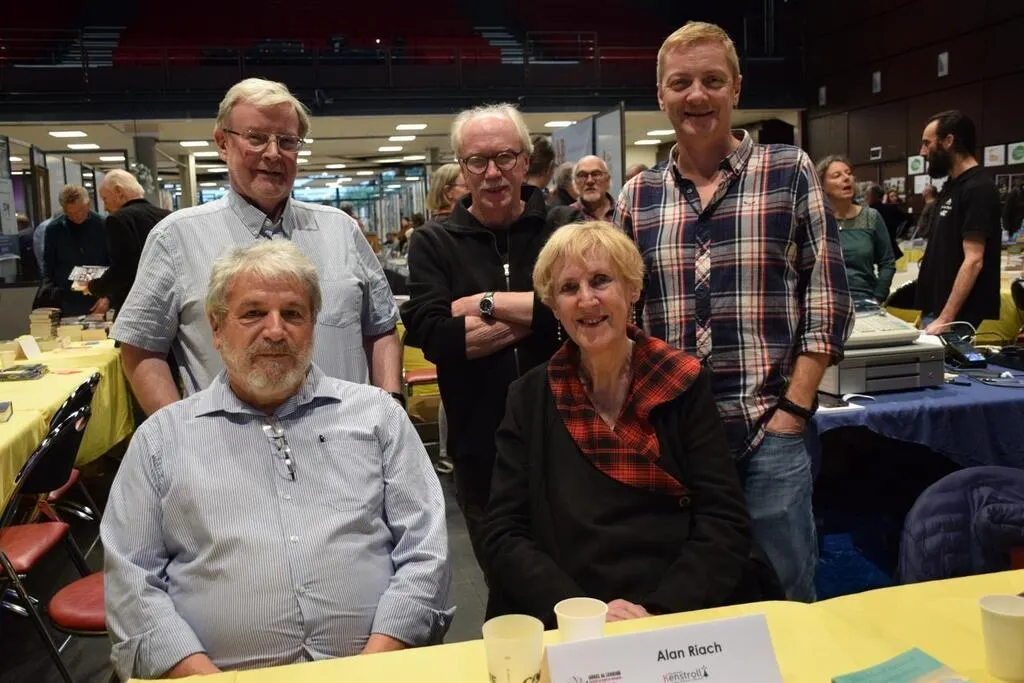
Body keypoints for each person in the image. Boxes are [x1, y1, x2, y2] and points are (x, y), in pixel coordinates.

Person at [102, 241, 452, 680]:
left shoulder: (377, 417)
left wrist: (376, 665)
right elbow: (132, 584)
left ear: (312, 325)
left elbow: (425, 553)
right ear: (215, 326)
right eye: (252, 314)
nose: (275, 331)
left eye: (293, 314)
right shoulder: (162, 440)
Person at [615, 21, 853, 602]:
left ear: (737, 89)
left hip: (767, 432)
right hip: (673, 443)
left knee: (787, 592)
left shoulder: (789, 171)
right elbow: (623, 322)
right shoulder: (636, 197)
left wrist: (794, 410)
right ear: (662, 96)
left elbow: (826, 296)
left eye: (712, 80)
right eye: (681, 82)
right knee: (684, 602)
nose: (696, 95)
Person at [482, 221, 757, 623]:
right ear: (554, 307)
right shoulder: (528, 397)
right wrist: (581, 612)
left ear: (632, 289)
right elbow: (504, 532)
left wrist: (661, 610)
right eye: (569, 288)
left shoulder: (682, 380)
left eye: (600, 281)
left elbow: (723, 519)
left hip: (674, 609)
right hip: (570, 611)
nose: (587, 299)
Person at [111, 78, 402, 416]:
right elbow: (141, 349)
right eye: (257, 138)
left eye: (287, 141)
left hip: (348, 448)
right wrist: (181, 439)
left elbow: (381, 328)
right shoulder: (175, 238)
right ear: (222, 143)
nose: (273, 153)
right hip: (228, 457)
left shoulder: (341, 230)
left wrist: (391, 407)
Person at [401, 103, 573, 568]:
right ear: (462, 167)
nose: (493, 172)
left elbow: (583, 315)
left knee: (580, 576)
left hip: (572, 437)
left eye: (505, 157)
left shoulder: (563, 228)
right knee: (509, 581)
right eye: (477, 161)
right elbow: (437, 337)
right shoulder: (432, 242)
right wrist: (542, 315)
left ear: (524, 160)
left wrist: (485, 302)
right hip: (482, 449)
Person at [916, 110, 1002, 334]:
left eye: (927, 143)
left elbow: (974, 260)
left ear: (948, 141)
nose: (922, 152)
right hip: (937, 309)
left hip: (955, 318)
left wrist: (946, 318)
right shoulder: (951, 186)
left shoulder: (978, 188)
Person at [85, 169, 171, 313]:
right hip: (166, 302)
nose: (105, 208)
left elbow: (123, 269)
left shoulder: (118, 219)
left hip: (135, 306)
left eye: (105, 199)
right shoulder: (165, 215)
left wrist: (95, 286)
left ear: (119, 191)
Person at [817, 155, 895, 303]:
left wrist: (878, 297)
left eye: (848, 173)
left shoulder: (871, 216)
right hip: (823, 303)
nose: (846, 178)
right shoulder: (815, 220)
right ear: (822, 185)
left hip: (864, 300)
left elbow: (887, 262)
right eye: (837, 175)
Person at [42, 184, 110, 316]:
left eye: (80, 211)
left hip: (99, 295)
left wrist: (108, 296)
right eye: (70, 214)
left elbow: (114, 263)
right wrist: (51, 293)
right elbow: (48, 266)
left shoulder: (105, 225)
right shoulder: (54, 229)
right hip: (67, 298)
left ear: (88, 204)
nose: (77, 217)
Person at [866, 184, 907, 259]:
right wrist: (898, 233)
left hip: (874, 252)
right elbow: (908, 219)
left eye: (867, 195)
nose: (866, 197)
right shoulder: (891, 208)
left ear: (874, 196)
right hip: (891, 249)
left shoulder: (867, 212)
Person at [570, 155, 615, 222]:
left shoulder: (623, 212)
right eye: (582, 175)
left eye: (596, 174)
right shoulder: (568, 216)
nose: (589, 181)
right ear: (575, 181)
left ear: (608, 179)